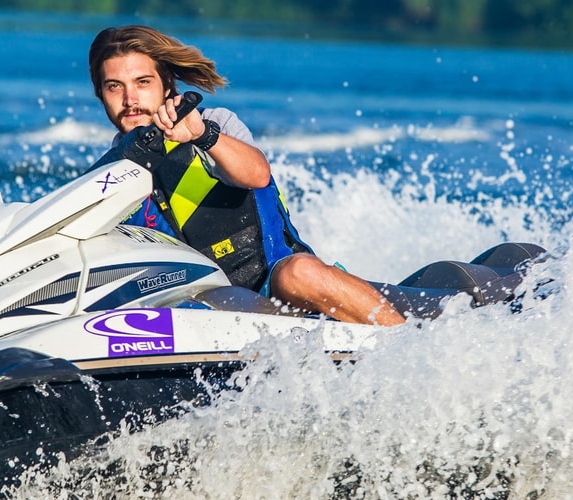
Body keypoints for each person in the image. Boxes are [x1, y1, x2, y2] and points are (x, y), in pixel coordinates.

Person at [88, 25, 405, 326]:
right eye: (114, 86)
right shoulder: (105, 177)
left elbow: (257, 174)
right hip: (201, 302)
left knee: (299, 274)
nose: (130, 99)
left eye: (143, 82)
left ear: (166, 85)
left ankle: (407, 345)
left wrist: (202, 135)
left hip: (276, 278)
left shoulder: (214, 124)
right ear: (101, 94)